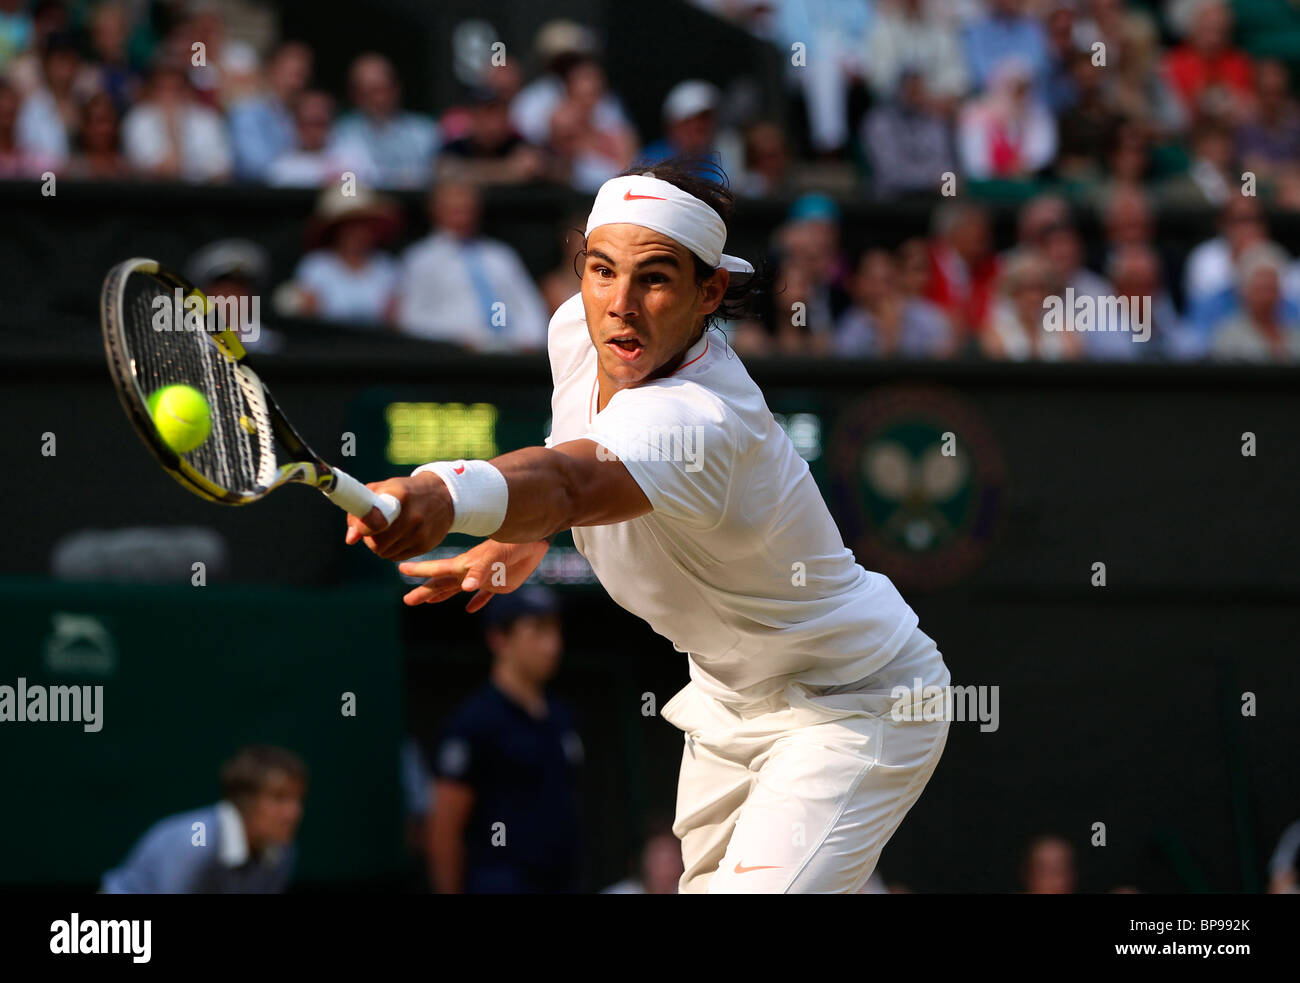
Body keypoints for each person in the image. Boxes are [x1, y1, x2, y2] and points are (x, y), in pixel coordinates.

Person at [346, 161, 952, 894]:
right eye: (600, 270)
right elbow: (572, 460)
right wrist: (526, 531)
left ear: (710, 291)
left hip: (854, 703)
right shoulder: (578, 327)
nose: (619, 305)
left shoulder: (697, 418)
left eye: (655, 279)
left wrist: (442, 491)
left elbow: (570, 480)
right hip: (728, 707)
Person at [423, 586, 583, 893]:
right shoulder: (474, 722)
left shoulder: (561, 717)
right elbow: (443, 828)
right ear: (500, 639)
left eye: (555, 631)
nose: (552, 645)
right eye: (537, 630)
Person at [101, 745, 306, 893]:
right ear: (245, 801)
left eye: (297, 799)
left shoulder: (282, 852)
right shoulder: (195, 844)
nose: (294, 812)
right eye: (279, 798)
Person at [395, 180, 548, 351]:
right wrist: (457, 338)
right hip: (450, 360)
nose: (462, 217)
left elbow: (528, 307)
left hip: (510, 358)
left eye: (467, 209)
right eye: (454, 210)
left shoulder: (501, 256)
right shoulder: (420, 259)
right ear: (435, 211)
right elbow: (410, 318)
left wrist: (528, 339)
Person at [330, 52, 438, 190]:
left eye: (383, 90)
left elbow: (437, 178)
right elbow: (346, 185)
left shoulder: (424, 131)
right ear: (355, 95)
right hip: (363, 207)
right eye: (368, 92)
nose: (378, 99)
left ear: (397, 89)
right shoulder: (341, 132)